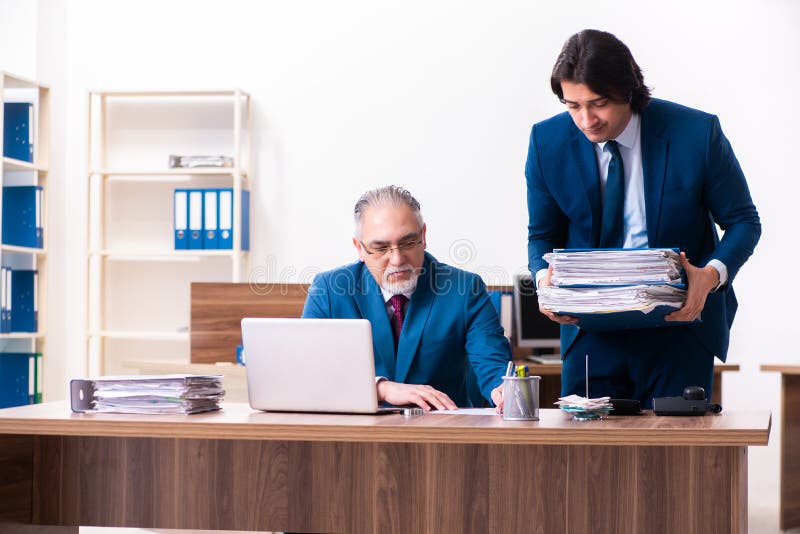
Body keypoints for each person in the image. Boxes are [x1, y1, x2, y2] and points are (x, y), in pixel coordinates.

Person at [525, 29, 761, 408]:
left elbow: (744, 221)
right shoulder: (546, 141)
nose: (586, 120)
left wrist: (710, 276)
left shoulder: (696, 134)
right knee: (588, 463)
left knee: (677, 463)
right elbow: (542, 234)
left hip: (679, 326)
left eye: (598, 103)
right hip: (591, 334)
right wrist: (542, 279)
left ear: (629, 90)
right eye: (573, 106)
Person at [302, 185, 511, 410]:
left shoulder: (465, 289)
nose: (397, 259)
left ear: (423, 235)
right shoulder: (328, 291)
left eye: (408, 243)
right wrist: (382, 388)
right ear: (359, 248)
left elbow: (493, 365)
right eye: (381, 248)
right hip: (356, 433)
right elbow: (308, 373)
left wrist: (502, 391)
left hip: (443, 431)